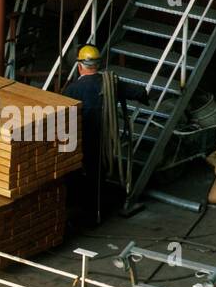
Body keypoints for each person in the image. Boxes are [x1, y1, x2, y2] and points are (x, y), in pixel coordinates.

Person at [63, 44, 150, 225]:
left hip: (79, 139)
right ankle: (96, 213)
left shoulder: (72, 90)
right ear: (98, 65)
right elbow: (139, 92)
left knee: (77, 173)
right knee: (97, 174)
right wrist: (144, 96)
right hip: (102, 139)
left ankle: (80, 210)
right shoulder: (110, 83)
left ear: (80, 66)